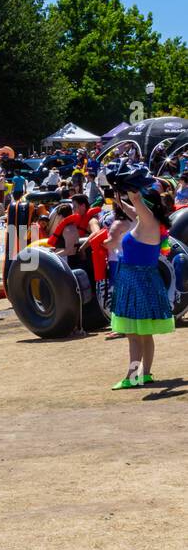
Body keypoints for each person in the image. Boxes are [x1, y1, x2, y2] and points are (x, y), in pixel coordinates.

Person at [107, 165, 175, 388]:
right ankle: (144, 374)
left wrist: (132, 189)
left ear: (149, 205)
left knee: (134, 334)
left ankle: (133, 376)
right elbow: (130, 208)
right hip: (142, 280)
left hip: (137, 281)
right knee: (144, 333)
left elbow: (136, 204)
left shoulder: (148, 222)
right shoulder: (147, 222)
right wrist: (117, 195)